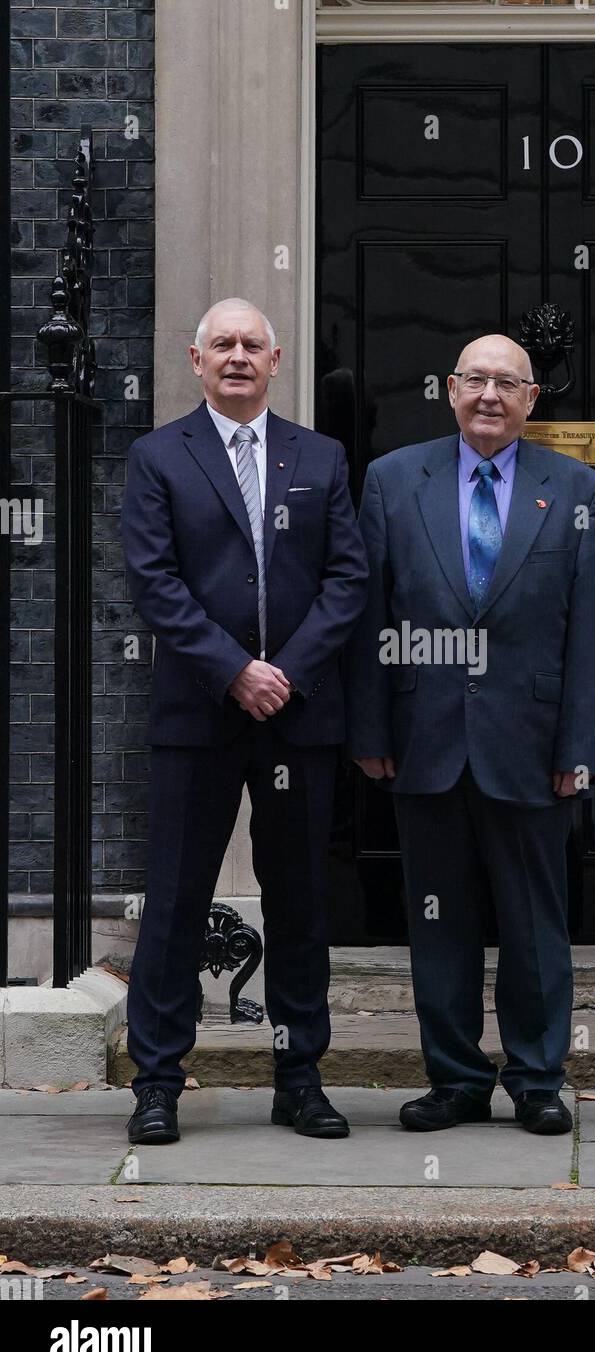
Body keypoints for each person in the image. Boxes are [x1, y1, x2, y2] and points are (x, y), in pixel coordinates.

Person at [347, 334, 595, 1135]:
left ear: (533, 399)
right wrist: (368, 726)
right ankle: (456, 1079)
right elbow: (368, 618)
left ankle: (538, 1078)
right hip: (423, 738)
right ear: (449, 390)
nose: (490, 395)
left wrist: (580, 746)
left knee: (535, 922)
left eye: (508, 383)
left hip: (531, 745)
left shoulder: (580, 490)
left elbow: (593, 633)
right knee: (438, 918)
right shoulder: (392, 481)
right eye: (476, 380)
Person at [121, 298, 368, 1142]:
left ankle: (299, 1078)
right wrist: (234, 672)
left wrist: (285, 674)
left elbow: (348, 580)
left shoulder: (323, 457)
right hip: (199, 714)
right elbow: (154, 583)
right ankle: (157, 1082)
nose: (236, 356)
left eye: (250, 345)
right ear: (195, 361)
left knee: (300, 902)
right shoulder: (159, 457)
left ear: (275, 360)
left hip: (298, 717)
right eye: (221, 344)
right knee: (177, 901)